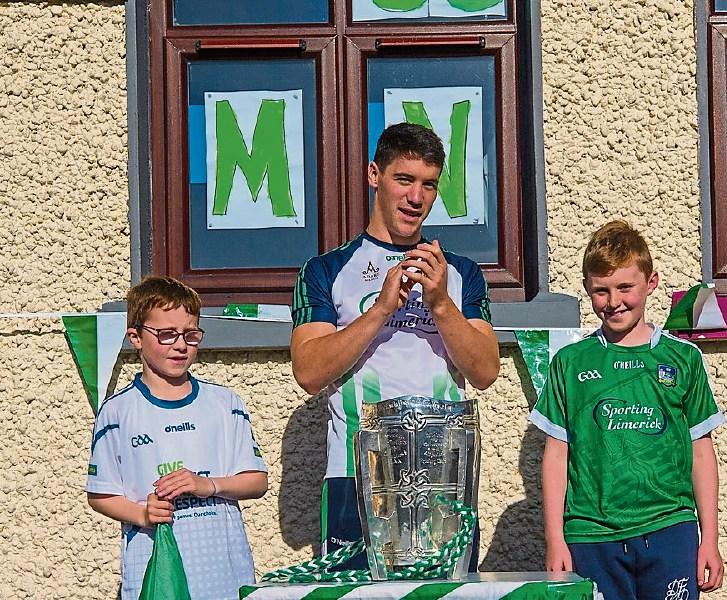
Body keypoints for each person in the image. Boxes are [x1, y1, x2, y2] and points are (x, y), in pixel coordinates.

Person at [290, 122, 500, 569]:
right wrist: (380, 311)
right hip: (355, 474)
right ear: (374, 175)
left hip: (444, 478)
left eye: (428, 185)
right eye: (403, 180)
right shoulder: (326, 269)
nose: (416, 197)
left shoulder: (459, 271)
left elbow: (484, 372)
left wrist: (441, 304)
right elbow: (308, 371)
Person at [529, 220, 725, 600]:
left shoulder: (683, 359)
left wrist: (709, 539)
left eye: (624, 287)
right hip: (591, 535)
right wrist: (555, 539)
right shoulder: (570, 363)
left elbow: (702, 453)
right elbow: (556, 456)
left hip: (671, 529)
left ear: (650, 283)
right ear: (587, 289)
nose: (613, 301)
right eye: (600, 291)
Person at [86, 276, 268, 600]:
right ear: (136, 337)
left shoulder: (225, 404)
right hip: (155, 574)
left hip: (224, 574)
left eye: (190, 334)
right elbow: (100, 494)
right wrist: (142, 514)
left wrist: (207, 485)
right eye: (166, 335)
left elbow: (256, 481)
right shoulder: (116, 413)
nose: (181, 345)